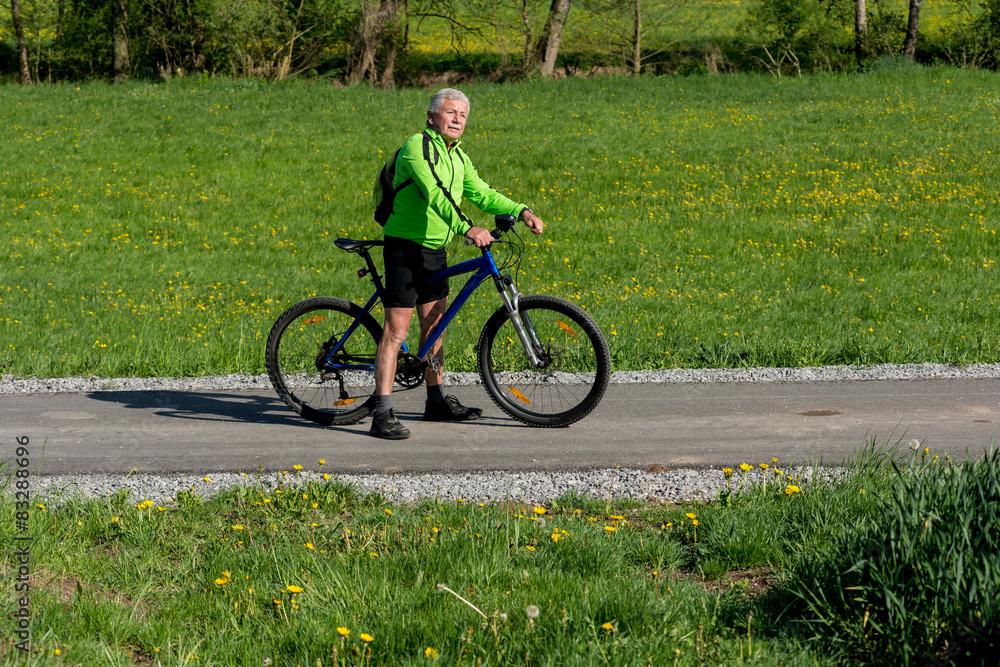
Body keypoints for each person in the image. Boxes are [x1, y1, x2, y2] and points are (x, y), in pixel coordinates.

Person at [371, 88, 544, 439]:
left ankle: (434, 401)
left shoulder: (458, 157)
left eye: (463, 115)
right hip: (404, 248)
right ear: (432, 116)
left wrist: (520, 210)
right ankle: (382, 412)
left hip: (434, 249)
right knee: (396, 332)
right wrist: (468, 227)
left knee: (435, 327)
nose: (457, 120)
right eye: (451, 112)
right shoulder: (417, 146)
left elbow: (481, 191)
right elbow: (435, 192)